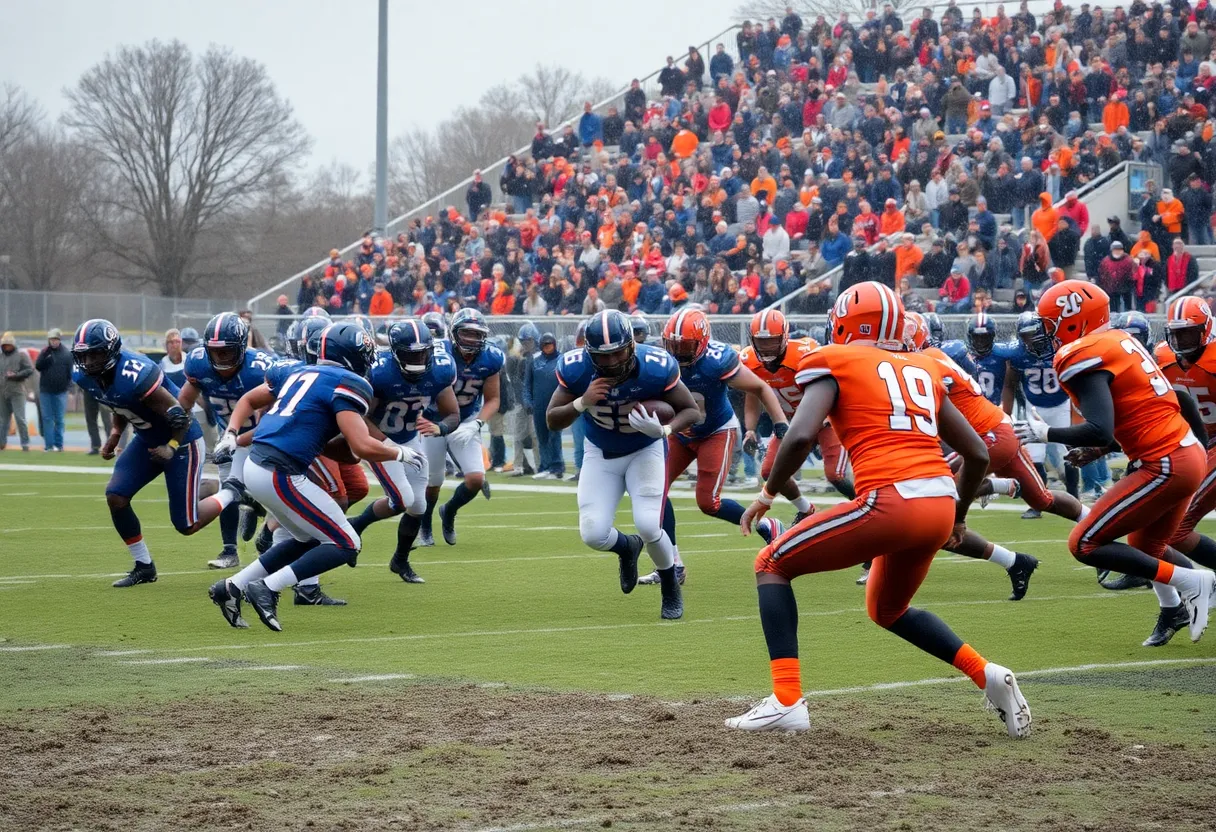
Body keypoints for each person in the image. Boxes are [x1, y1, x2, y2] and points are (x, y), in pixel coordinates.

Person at [729, 281, 1030, 737]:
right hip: (939, 504)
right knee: (888, 608)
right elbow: (978, 454)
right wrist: (960, 516)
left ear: (846, 322)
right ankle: (987, 675)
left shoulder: (836, 358)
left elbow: (800, 435)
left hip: (889, 499)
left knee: (770, 562)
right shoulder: (923, 366)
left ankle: (787, 700)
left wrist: (767, 495)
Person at [1017, 281, 1215, 646]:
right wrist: (1099, 449)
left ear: (1074, 321)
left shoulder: (1085, 353)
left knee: (1084, 543)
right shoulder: (1119, 341)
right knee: (1144, 545)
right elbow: (1175, 404)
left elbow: (1097, 428)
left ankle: (1194, 581)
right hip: (1184, 454)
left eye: (1051, 323)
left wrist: (1045, 433)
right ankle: (1173, 610)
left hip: (1166, 462)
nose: (1047, 333)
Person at [207, 322, 402, 631]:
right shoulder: (349, 382)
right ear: (351, 355)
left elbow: (248, 400)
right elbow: (362, 445)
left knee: (308, 538)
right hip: (281, 472)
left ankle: (230, 587)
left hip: (258, 466)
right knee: (347, 542)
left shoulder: (294, 371)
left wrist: (231, 433)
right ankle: (268, 587)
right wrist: (400, 453)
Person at [546, 310, 702, 620]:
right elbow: (552, 419)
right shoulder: (576, 370)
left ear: (631, 345)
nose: (612, 362)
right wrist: (582, 402)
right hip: (600, 452)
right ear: (590, 354)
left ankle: (670, 584)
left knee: (648, 524)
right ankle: (626, 548)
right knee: (593, 534)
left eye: (618, 352)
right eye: (603, 357)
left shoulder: (656, 367)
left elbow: (691, 411)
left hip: (645, 450)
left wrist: (665, 431)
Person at [71, 319, 241, 588]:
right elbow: (116, 402)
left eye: (96, 354)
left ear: (112, 350)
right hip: (147, 439)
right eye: (85, 355)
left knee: (187, 525)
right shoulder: (84, 376)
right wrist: (115, 435)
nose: (89, 361)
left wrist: (171, 447)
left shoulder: (135, 373)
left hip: (182, 440)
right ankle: (144, 566)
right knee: (116, 496)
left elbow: (180, 417)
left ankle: (234, 490)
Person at [638, 309, 790, 587]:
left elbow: (760, 387)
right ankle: (671, 565)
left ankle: (766, 525)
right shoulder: (659, 360)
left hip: (715, 431)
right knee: (655, 490)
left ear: (703, 341)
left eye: (685, 346)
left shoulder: (717, 360)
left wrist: (780, 422)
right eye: (673, 346)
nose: (678, 353)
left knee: (709, 503)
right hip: (679, 432)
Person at [347, 319, 459, 584]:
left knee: (417, 505)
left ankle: (400, 560)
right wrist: (387, 445)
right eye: (412, 354)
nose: (419, 359)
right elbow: (360, 416)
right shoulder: (380, 372)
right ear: (396, 352)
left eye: (423, 352)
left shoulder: (441, 370)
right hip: (379, 441)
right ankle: (355, 527)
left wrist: (440, 427)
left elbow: (453, 413)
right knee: (403, 498)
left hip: (410, 439)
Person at [176, 314, 277, 572]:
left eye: (227, 351)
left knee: (273, 490)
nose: (221, 358)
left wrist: (239, 439)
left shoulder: (260, 368)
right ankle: (230, 550)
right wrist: (176, 434)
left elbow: (275, 415)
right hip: (228, 435)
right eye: (215, 352)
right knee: (228, 485)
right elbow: (183, 404)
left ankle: (269, 532)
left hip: (263, 436)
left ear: (242, 347)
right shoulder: (199, 364)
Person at [741, 309, 851, 511]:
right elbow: (753, 395)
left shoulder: (804, 353)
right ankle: (805, 509)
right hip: (791, 422)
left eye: (771, 341)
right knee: (770, 472)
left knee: (836, 475)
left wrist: (824, 419)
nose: (766, 349)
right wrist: (750, 429)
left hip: (825, 417)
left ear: (784, 337)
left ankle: (869, 506)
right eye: (761, 342)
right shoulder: (749, 360)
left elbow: (830, 387)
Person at [419, 308, 503, 546]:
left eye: (477, 335)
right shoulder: (436, 352)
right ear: (454, 333)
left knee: (476, 479)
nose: (472, 340)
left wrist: (477, 423)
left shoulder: (491, 357)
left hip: (465, 421)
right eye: (467, 333)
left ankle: (449, 511)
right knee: (433, 481)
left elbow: (493, 399)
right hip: (434, 421)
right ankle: (425, 526)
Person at [526, 332, 564, 479]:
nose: (547, 347)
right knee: (542, 437)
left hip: (556, 405)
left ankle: (557, 466)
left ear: (554, 344)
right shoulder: (534, 360)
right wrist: (528, 401)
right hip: (539, 406)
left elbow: (566, 383)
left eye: (550, 344)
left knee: (555, 436)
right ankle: (545, 466)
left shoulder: (562, 360)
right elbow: (527, 384)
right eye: (545, 345)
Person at [506, 323, 539, 477]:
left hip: (536, 402)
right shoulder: (515, 359)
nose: (526, 344)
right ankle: (518, 465)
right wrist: (522, 400)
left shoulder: (540, 358)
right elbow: (515, 381)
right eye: (523, 341)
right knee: (518, 435)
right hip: (521, 402)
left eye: (529, 341)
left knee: (535, 436)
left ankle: (540, 466)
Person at [35, 329, 72, 452]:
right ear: (49, 340)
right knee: (47, 419)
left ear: (59, 340)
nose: (54, 342)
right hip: (45, 390)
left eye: (55, 339)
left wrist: (69, 388)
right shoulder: (45, 352)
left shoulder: (67, 354)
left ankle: (59, 445)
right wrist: (46, 358)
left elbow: (70, 373)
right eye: (51, 339)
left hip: (61, 391)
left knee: (60, 419)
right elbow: (38, 366)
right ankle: (49, 445)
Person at [0, 331, 32, 451]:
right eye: (5, 345)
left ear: (13, 345)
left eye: (9, 345)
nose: (7, 347)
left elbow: (29, 370)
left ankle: (25, 443)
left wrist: (17, 375)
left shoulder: (21, 356)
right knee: (3, 420)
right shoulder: (0, 357)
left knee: (20, 418)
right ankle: (1, 443)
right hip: (2, 391)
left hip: (17, 391)